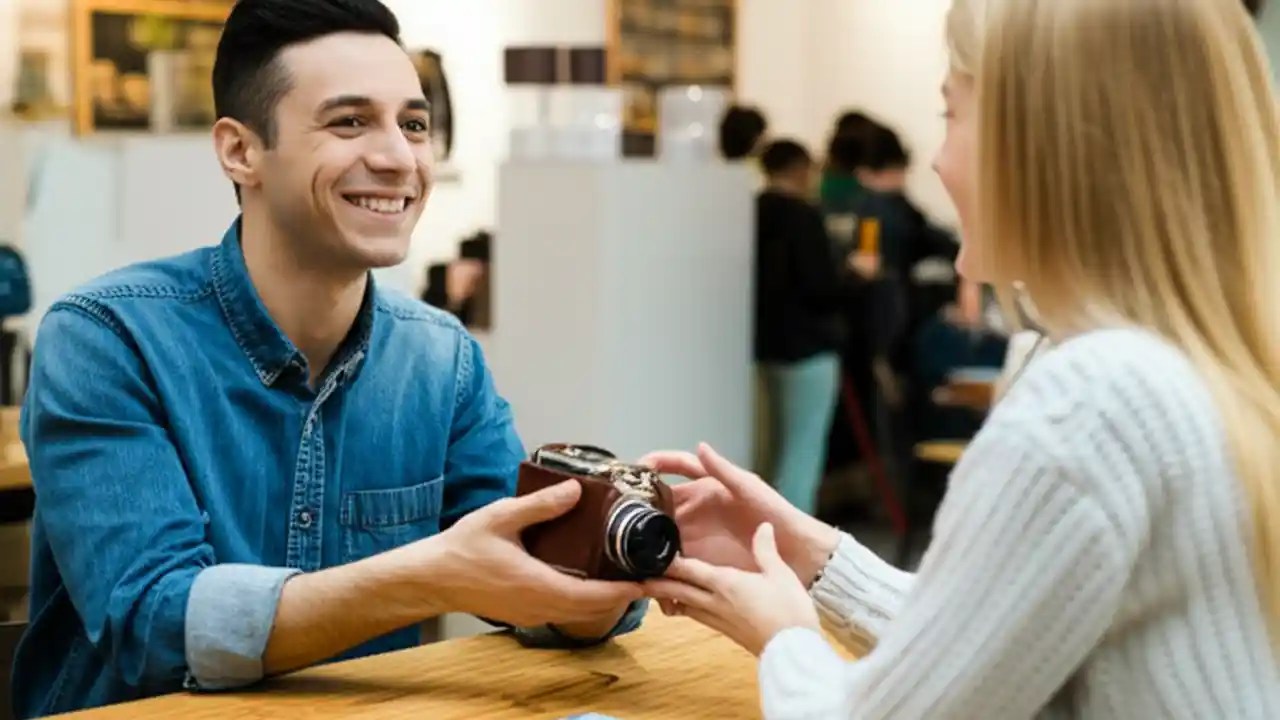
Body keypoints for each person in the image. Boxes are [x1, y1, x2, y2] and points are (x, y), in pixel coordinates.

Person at [642, 0, 1280, 716]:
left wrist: (785, 638)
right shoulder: (1185, 371)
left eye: (952, 115)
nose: (940, 161)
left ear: (1040, 143)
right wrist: (812, 557)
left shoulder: (1089, 404)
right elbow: (994, 629)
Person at [11, 1, 645, 717]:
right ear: (240, 151)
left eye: (413, 124)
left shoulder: (442, 360)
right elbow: (157, 623)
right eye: (349, 122)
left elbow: (527, 577)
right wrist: (431, 579)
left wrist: (604, 574)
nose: (398, 158)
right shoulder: (106, 338)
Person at [754, 139, 871, 516]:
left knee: (774, 447)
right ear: (801, 169)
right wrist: (856, 277)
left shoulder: (752, 211)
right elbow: (820, 289)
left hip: (765, 345)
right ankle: (791, 539)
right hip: (808, 349)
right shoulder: (804, 217)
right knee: (802, 451)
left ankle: (766, 528)